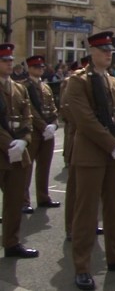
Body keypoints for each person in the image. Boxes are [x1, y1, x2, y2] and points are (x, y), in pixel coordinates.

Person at [67, 32, 115, 290]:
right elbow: (85, 120)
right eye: (103, 50)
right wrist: (113, 145)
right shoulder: (78, 82)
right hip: (91, 154)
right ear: (91, 52)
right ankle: (82, 266)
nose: (109, 54)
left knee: (113, 208)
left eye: (110, 50)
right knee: (86, 213)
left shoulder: (112, 81)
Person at [0, 43, 38, 260]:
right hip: (3, 149)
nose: (9, 64)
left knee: (15, 202)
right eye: (4, 60)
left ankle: (12, 243)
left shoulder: (19, 88)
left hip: (18, 151)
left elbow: (28, 117)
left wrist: (24, 140)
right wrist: (9, 143)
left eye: (10, 60)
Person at [22, 55, 60, 213]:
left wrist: (54, 124)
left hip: (47, 133)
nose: (40, 69)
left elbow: (52, 107)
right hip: (34, 132)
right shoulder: (24, 86)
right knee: (26, 168)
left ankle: (43, 197)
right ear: (29, 68)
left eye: (41, 67)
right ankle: (24, 201)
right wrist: (44, 126)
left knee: (44, 166)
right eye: (36, 67)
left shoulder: (46, 87)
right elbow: (30, 109)